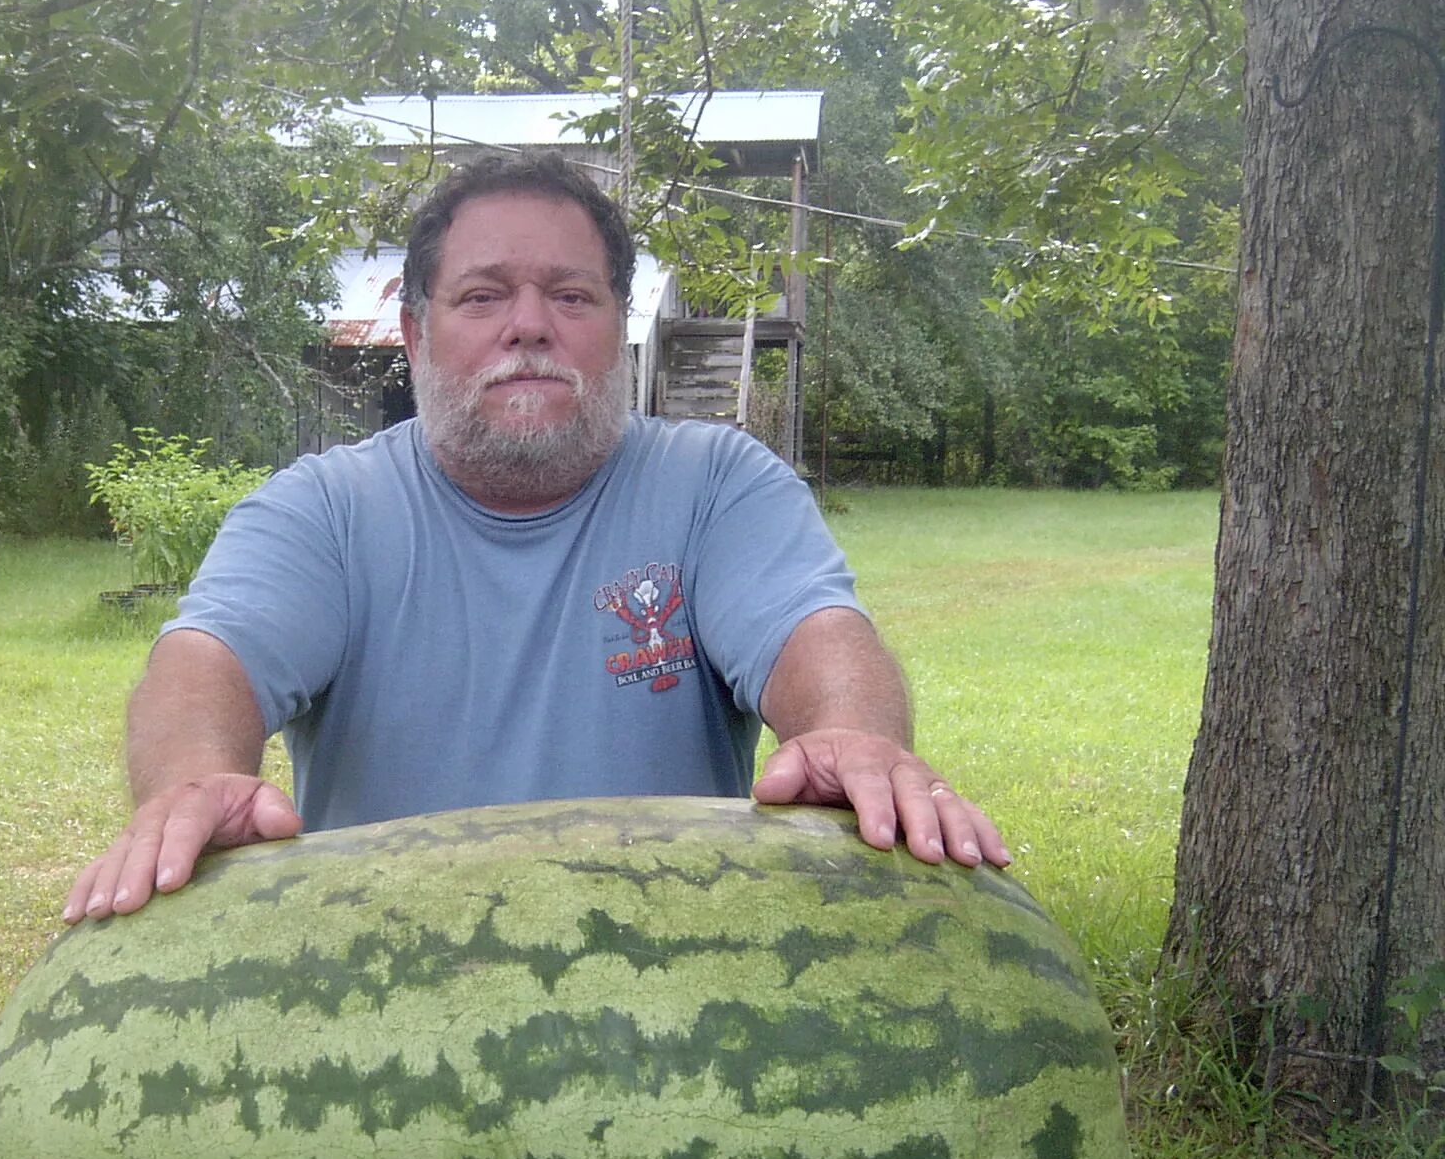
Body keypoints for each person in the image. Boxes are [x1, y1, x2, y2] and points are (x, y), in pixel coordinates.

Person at [66, 152, 1006, 924]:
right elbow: (206, 661)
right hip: (385, 994)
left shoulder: (717, 483)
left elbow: (818, 632)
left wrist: (852, 736)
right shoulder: (323, 510)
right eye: (482, 297)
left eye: (571, 295)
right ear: (415, 332)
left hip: (675, 986)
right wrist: (189, 782)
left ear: (615, 325)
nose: (530, 326)